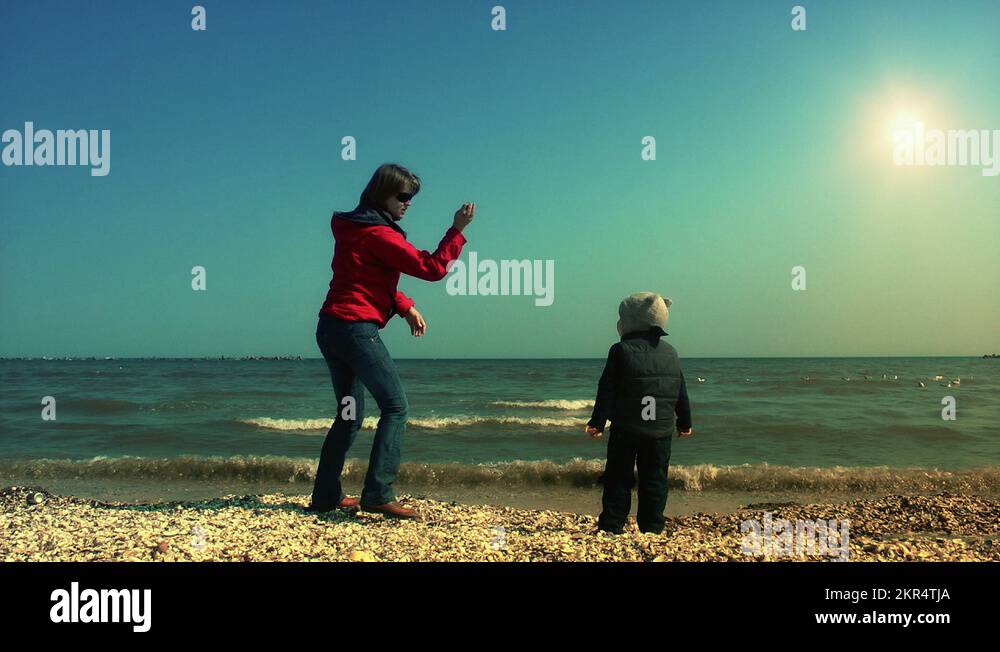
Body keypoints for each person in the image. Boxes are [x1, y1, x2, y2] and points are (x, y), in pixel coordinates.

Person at [308, 163, 475, 519]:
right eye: (403, 196)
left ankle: (325, 497)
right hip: (356, 331)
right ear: (381, 193)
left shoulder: (356, 229)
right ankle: (378, 493)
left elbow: (366, 278)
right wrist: (457, 231)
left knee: (349, 416)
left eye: (412, 198)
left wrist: (405, 307)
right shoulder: (381, 235)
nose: (408, 203)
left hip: (332, 329)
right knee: (396, 407)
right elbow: (431, 268)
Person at [584, 292, 693, 534]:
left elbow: (607, 389)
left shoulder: (620, 350)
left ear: (628, 324)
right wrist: (684, 422)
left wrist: (598, 422)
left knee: (619, 477)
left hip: (626, 427)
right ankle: (652, 527)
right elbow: (679, 389)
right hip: (660, 429)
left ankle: (612, 525)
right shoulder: (671, 352)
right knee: (655, 480)